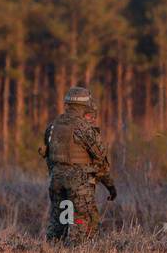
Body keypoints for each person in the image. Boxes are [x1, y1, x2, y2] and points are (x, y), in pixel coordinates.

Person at [39, 86, 116, 241]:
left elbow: (49, 157)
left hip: (56, 181)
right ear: (85, 105)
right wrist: (109, 185)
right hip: (78, 183)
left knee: (59, 221)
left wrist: (57, 174)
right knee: (84, 221)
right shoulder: (83, 127)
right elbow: (100, 158)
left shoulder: (53, 126)